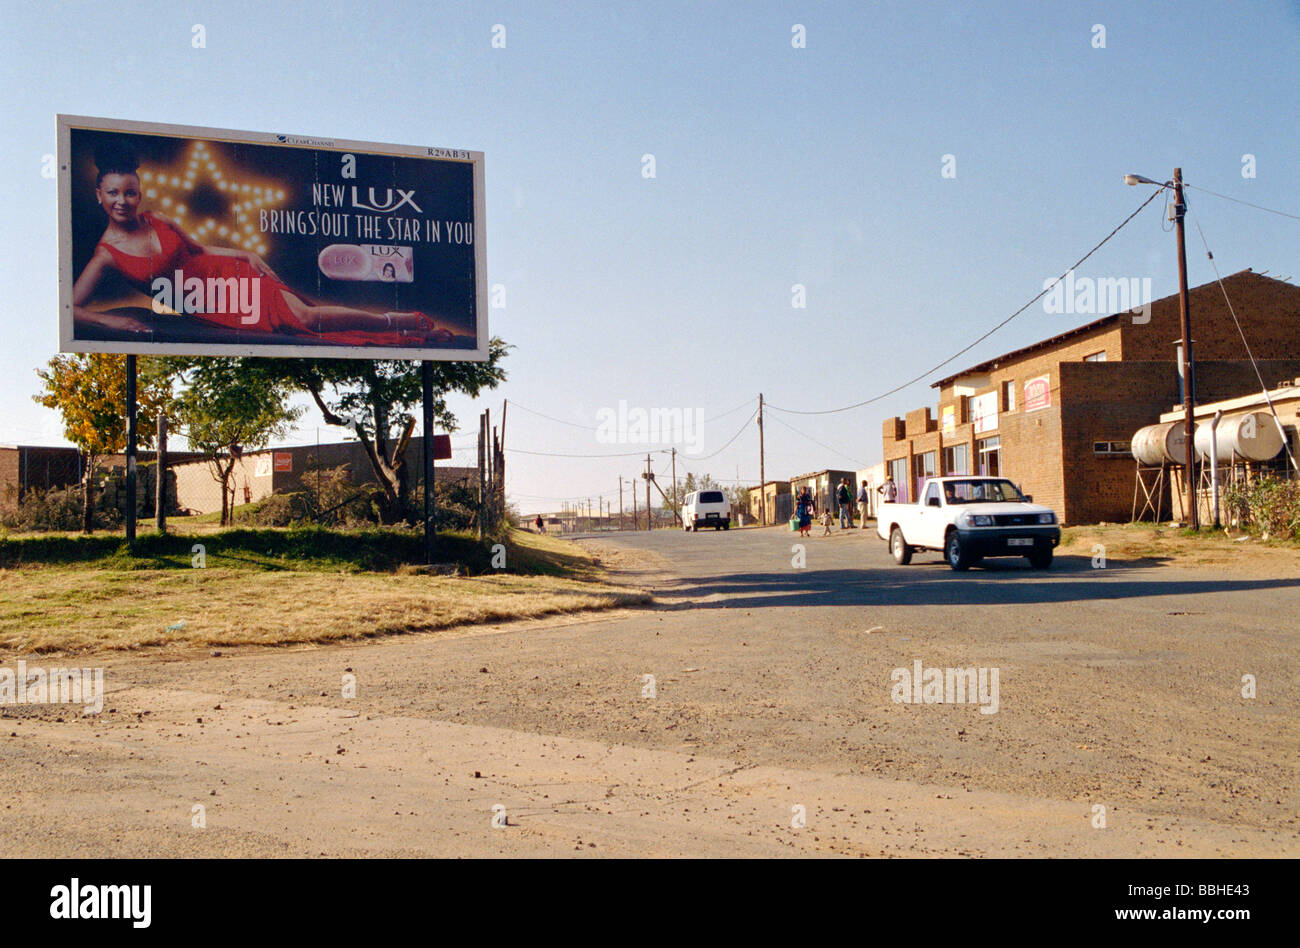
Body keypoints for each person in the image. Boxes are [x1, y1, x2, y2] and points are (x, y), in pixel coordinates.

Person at [72, 141, 450, 344]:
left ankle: (395, 321)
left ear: (140, 193)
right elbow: (69, 308)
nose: (123, 201)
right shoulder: (105, 254)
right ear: (99, 196)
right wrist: (116, 324)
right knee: (302, 324)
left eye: (131, 193)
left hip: (230, 277)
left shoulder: (159, 219)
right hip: (211, 304)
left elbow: (201, 250)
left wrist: (246, 253)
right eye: (114, 193)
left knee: (304, 317)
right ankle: (395, 325)